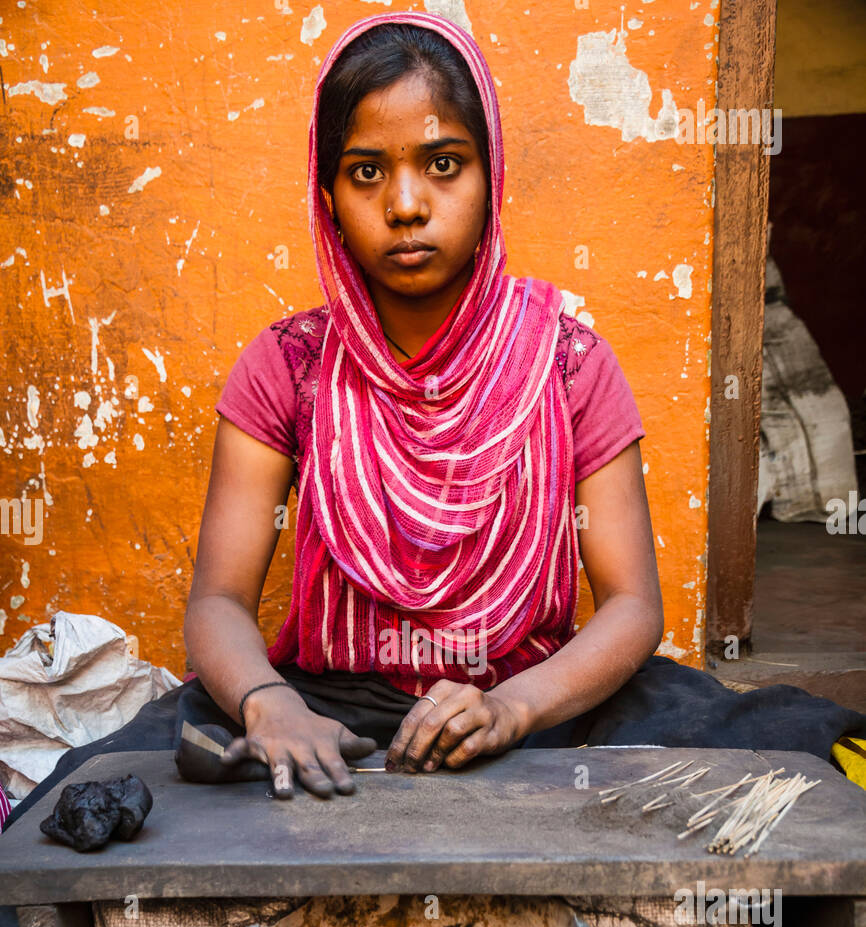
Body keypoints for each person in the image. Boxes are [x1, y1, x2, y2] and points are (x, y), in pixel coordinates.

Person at [4, 12, 863, 832]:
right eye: (367, 170)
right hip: (329, 704)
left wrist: (513, 709)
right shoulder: (289, 366)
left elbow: (632, 606)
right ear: (329, 193)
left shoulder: (569, 365)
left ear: (491, 178)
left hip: (533, 693)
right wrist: (271, 706)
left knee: (791, 756)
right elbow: (220, 602)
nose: (406, 204)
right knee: (75, 807)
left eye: (444, 163)